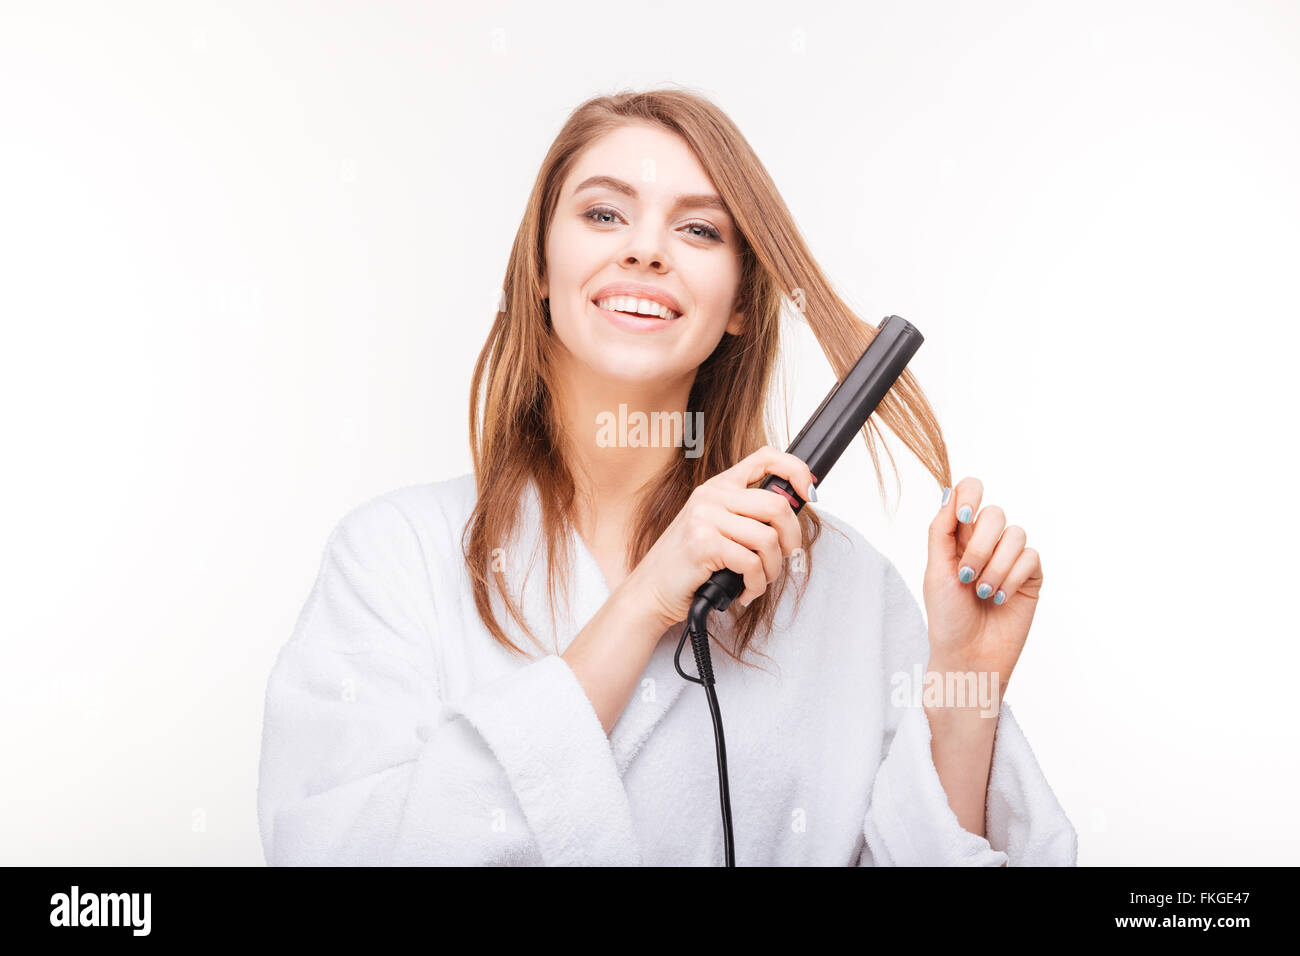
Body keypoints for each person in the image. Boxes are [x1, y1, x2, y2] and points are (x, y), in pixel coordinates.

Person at [256, 87, 1077, 866]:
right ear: (541, 268)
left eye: (699, 231)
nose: (645, 248)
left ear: (743, 304)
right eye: (604, 213)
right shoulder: (394, 558)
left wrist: (965, 682)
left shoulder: (845, 589)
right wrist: (647, 600)